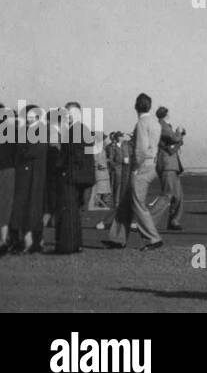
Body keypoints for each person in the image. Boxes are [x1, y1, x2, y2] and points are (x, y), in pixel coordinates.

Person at [104, 93, 164, 251]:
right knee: (125, 202)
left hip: (141, 167)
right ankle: (117, 238)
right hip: (152, 165)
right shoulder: (155, 123)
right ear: (149, 106)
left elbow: (142, 149)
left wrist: (136, 167)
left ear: (135, 106)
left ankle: (153, 239)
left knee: (138, 204)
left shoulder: (141, 123)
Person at [50, 102, 96, 254]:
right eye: (67, 114)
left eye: (72, 114)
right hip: (80, 176)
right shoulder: (82, 129)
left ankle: (67, 246)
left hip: (71, 176)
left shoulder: (73, 130)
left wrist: (60, 168)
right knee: (74, 212)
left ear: (79, 114)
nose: (69, 116)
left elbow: (71, 155)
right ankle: (75, 244)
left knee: (68, 211)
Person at [9, 105, 49, 253]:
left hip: (36, 176)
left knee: (33, 209)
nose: (30, 117)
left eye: (33, 115)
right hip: (24, 175)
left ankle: (34, 242)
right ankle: (27, 241)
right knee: (23, 209)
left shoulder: (42, 131)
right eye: (28, 115)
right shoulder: (23, 131)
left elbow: (33, 151)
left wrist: (22, 149)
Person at [155, 107, 185, 230]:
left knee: (178, 196)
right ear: (166, 115)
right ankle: (147, 221)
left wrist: (178, 139)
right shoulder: (162, 126)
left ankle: (174, 221)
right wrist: (179, 133)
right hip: (167, 165)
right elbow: (174, 139)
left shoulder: (165, 126)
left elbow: (173, 142)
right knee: (167, 195)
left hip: (172, 165)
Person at [0, 103, 15, 255]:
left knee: (4, 205)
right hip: (9, 170)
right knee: (5, 205)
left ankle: (4, 239)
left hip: (7, 170)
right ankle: (4, 239)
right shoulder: (13, 132)